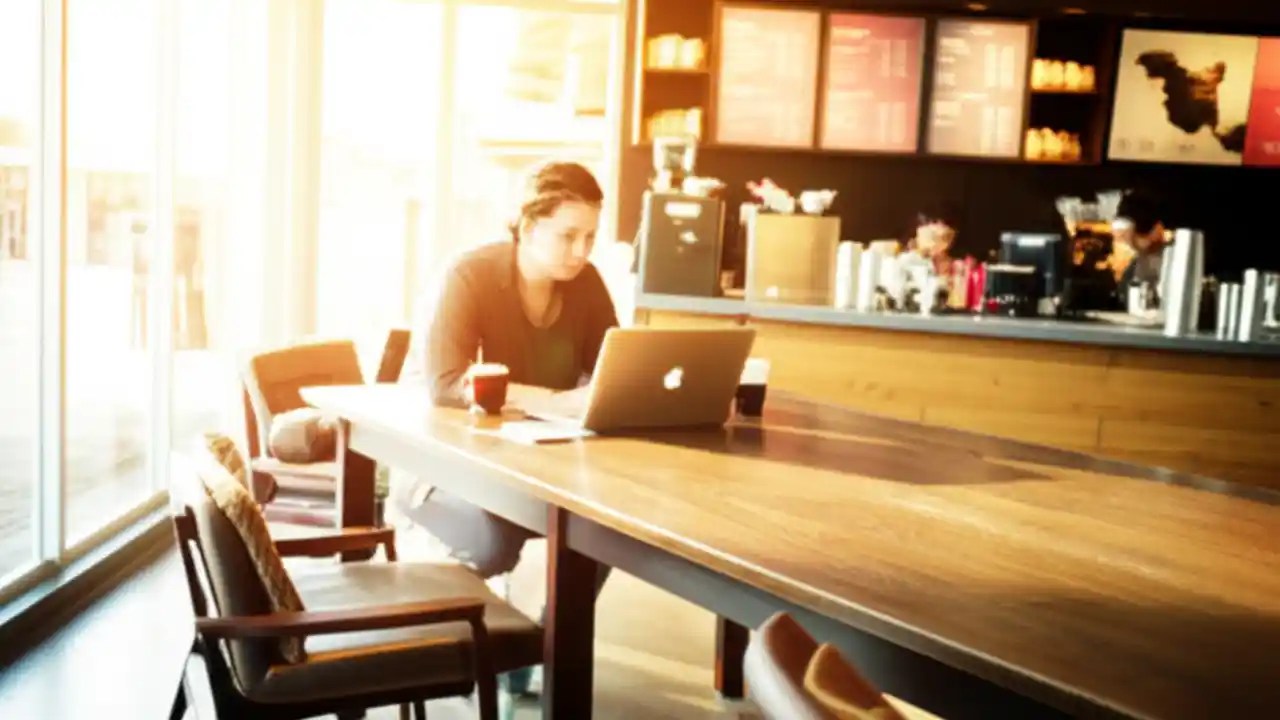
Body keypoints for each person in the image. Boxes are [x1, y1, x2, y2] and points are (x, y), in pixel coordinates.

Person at [395, 161, 617, 696]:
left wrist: (601, 396)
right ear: (526, 224)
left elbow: (613, 367)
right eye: (568, 236)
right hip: (443, 460)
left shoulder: (584, 284)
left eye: (590, 237)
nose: (582, 252)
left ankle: (542, 644)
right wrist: (554, 399)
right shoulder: (468, 275)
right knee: (495, 542)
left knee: (604, 533)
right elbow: (447, 384)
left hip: (533, 457)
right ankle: (500, 639)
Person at [1109, 189, 1169, 288]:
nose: (1128, 245)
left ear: (1157, 229)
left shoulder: (1175, 263)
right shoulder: (1133, 268)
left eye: (1133, 239)